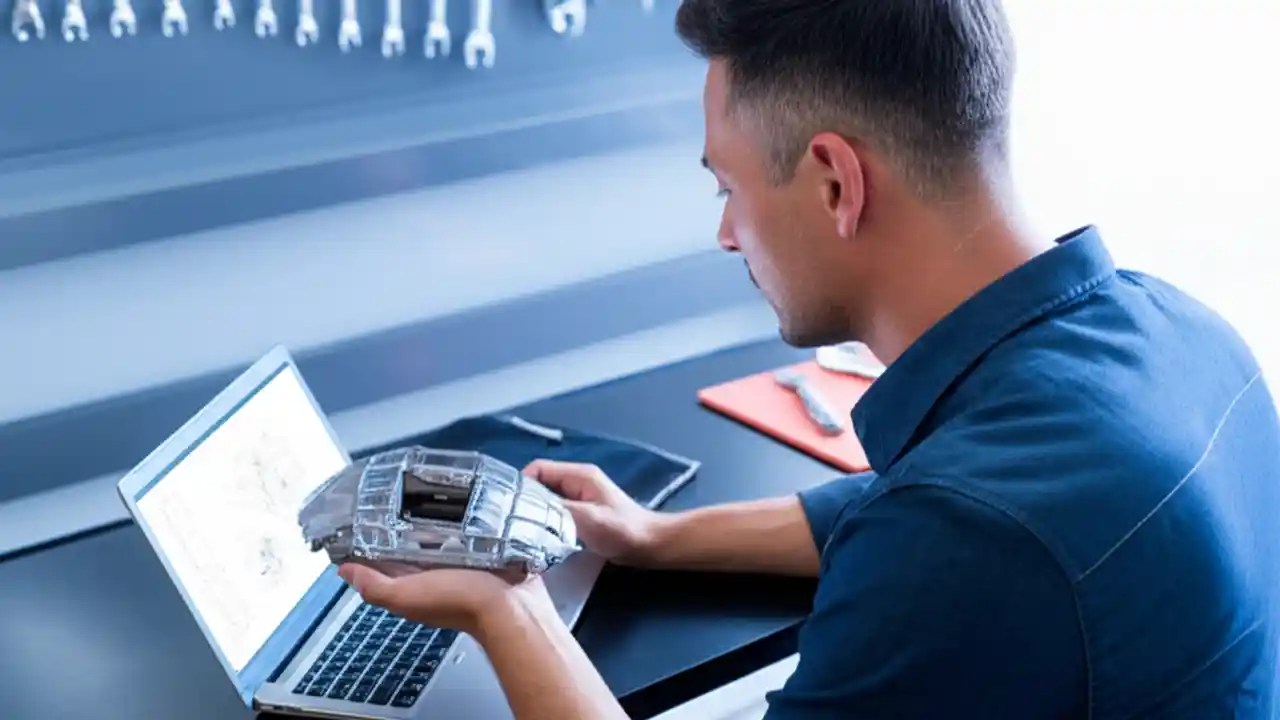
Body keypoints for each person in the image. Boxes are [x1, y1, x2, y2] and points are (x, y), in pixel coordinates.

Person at [339, 1, 1280, 718]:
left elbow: (959, 531)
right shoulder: (1183, 333)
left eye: (729, 184)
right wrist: (656, 538)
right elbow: (908, 506)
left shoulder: (968, 544)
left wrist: (513, 609)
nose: (725, 232)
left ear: (835, 181)